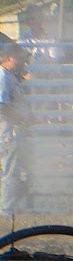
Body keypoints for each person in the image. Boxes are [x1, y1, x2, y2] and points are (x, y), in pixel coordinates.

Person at [0, 43, 27, 217]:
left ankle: (11, 207)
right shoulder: (3, 76)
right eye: (19, 57)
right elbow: (2, 105)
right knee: (10, 168)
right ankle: (6, 209)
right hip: (8, 131)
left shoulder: (10, 76)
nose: (22, 61)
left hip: (12, 130)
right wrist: (21, 119)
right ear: (9, 58)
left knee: (13, 167)